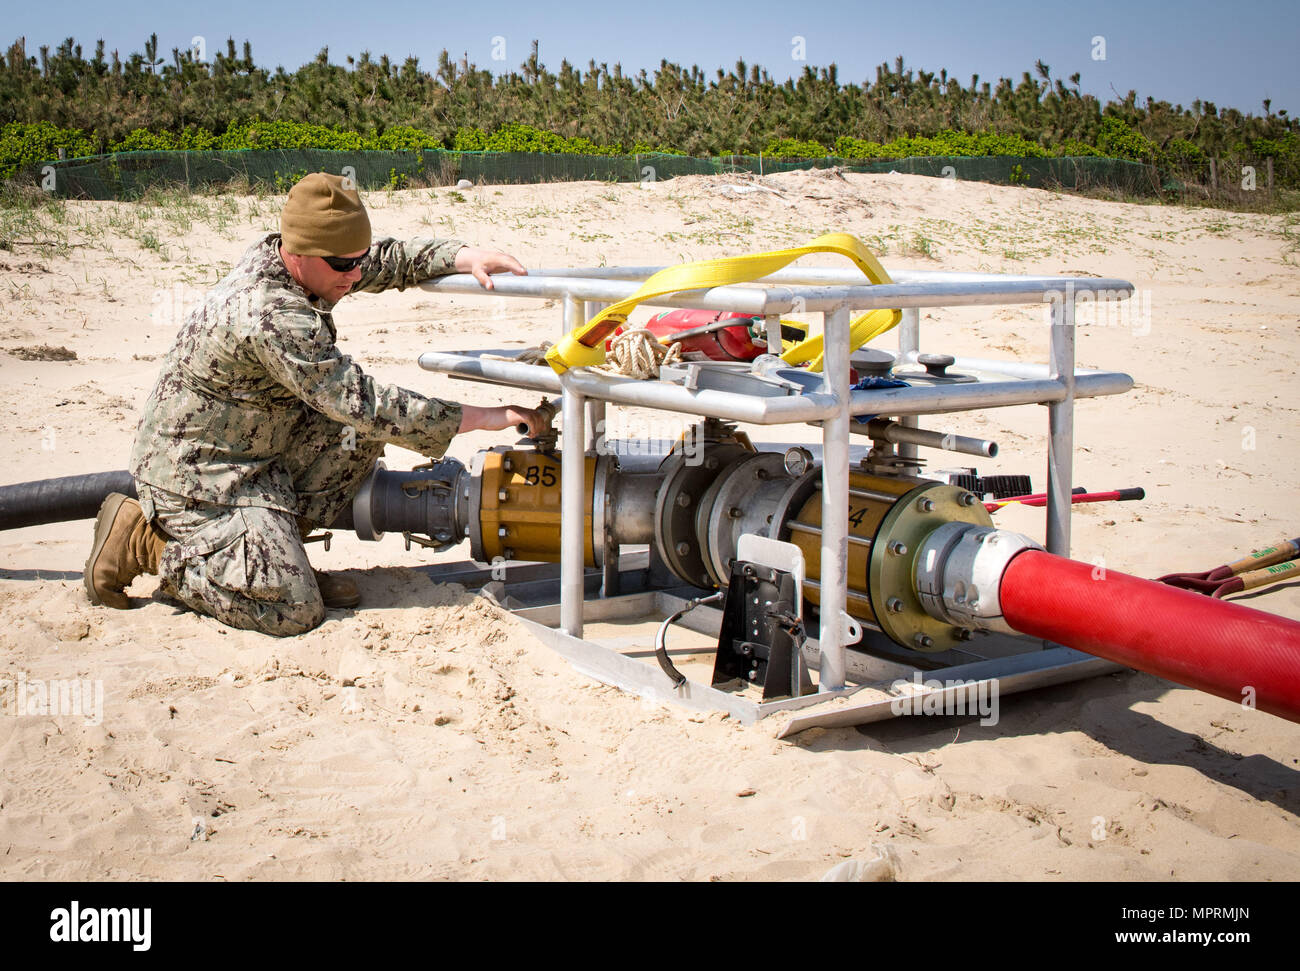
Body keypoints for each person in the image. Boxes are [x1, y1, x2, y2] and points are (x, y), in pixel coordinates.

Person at [84, 172, 548, 636]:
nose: (355, 275)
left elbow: (381, 257)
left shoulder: (307, 258)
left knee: (357, 439)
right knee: (294, 611)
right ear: (300, 255)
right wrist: (489, 417)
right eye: (342, 266)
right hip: (203, 476)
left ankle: (267, 559)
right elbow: (363, 402)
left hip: (258, 447)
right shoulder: (270, 311)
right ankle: (150, 544)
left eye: (357, 261)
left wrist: (463, 256)